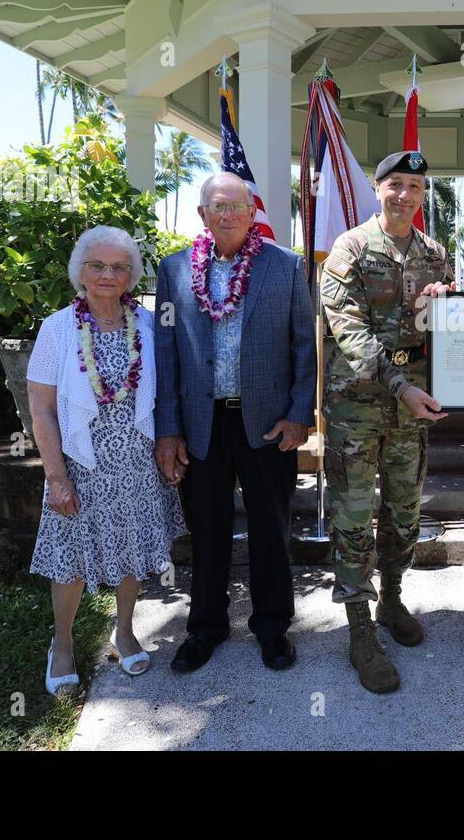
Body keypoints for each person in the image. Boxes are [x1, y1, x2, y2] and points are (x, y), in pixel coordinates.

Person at [154, 172, 316, 675]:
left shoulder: (285, 267)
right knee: (208, 531)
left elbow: (304, 345)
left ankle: (271, 629)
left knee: (270, 527)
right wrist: (168, 429)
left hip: (267, 424)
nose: (226, 215)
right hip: (201, 424)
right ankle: (205, 628)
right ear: (201, 214)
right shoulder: (173, 270)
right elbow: (164, 351)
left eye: (236, 207)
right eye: (216, 207)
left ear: (252, 213)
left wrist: (298, 415)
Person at [28, 225, 185, 696]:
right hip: (81, 462)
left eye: (118, 267)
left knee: (131, 552)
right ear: (81, 270)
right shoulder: (57, 328)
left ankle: (124, 630)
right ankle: (63, 643)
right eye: (97, 265)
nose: (107, 275)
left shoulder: (149, 325)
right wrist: (56, 478)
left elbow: (167, 393)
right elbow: (41, 407)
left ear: (131, 275)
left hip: (137, 462)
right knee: (71, 560)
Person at [320, 150, 453, 694]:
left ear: (424, 196)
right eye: (394, 184)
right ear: (378, 190)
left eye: (415, 187)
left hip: (410, 416)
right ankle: (358, 629)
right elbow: (349, 336)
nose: (404, 195)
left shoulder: (435, 254)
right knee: (352, 519)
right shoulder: (348, 250)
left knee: (403, 511)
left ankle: (392, 599)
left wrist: (451, 321)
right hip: (357, 410)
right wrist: (401, 386)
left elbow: (434, 334)